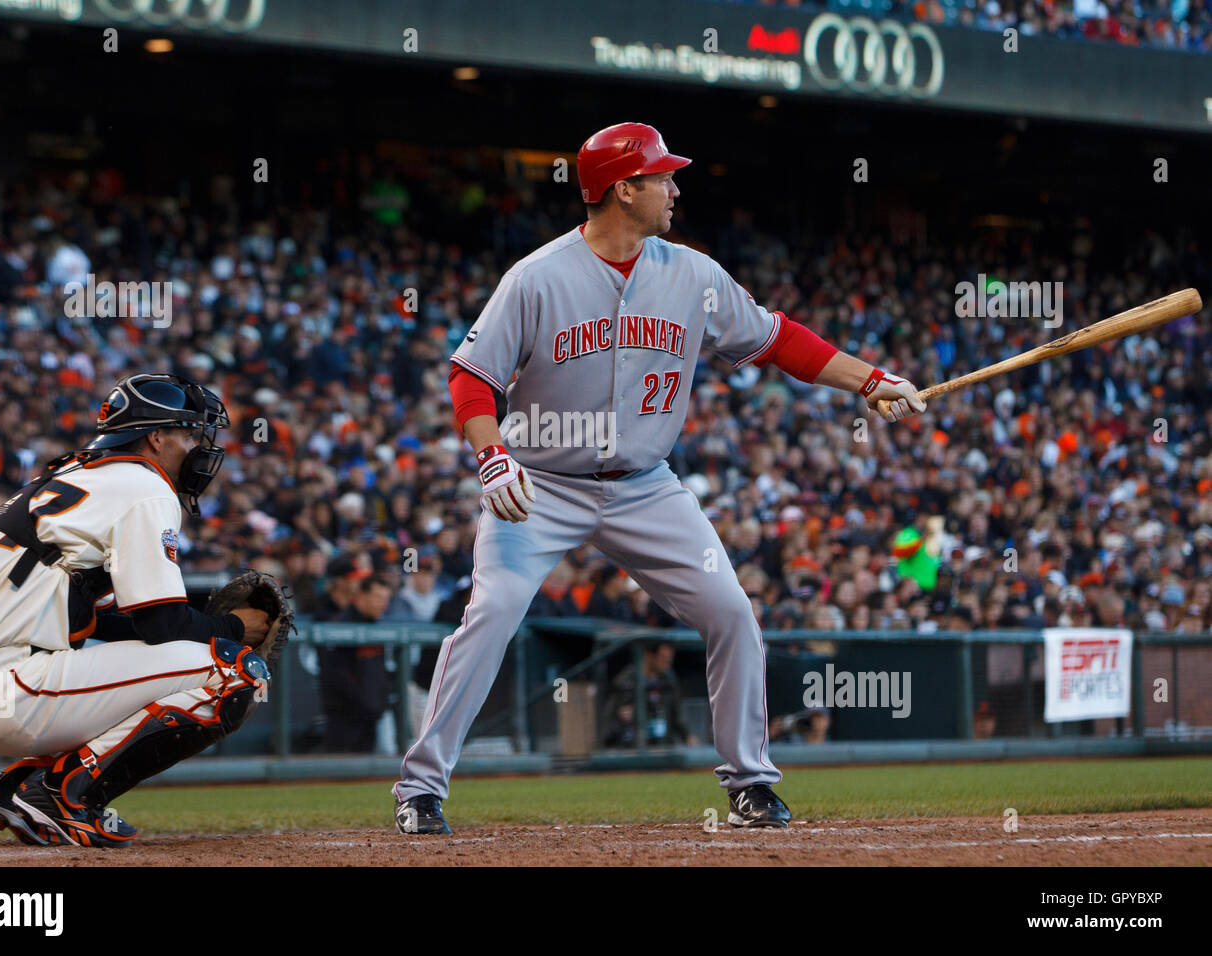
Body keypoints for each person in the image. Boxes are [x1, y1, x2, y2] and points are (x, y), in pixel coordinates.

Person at [391, 122, 926, 835]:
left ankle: (750, 783)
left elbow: (777, 339)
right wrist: (492, 456)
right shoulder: (538, 276)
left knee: (732, 613)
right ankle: (421, 790)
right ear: (623, 189)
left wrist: (871, 381)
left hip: (646, 486)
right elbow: (472, 375)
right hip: (542, 486)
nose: (675, 187)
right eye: (663, 176)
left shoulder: (694, 274)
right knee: (490, 616)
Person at [0, 373, 271, 848]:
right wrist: (235, 627)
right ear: (157, 436)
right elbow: (162, 625)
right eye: (189, 433)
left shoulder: (73, 478)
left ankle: (20, 788)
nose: (197, 445)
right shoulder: (143, 485)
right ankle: (62, 795)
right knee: (237, 672)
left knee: (164, 665)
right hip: (11, 687)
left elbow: (112, 622)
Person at [316, 566, 394, 753]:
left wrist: (377, 704)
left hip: (370, 718)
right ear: (361, 596)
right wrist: (364, 700)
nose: (382, 604)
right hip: (344, 720)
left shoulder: (376, 627)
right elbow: (334, 677)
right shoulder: (340, 627)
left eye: (386, 599)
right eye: (377, 598)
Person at [602, 642, 696, 747]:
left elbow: (677, 715)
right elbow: (609, 722)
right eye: (663, 659)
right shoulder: (626, 681)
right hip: (633, 748)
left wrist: (687, 736)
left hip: (662, 747)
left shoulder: (668, 681)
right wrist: (621, 717)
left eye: (669, 660)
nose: (667, 664)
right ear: (649, 655)